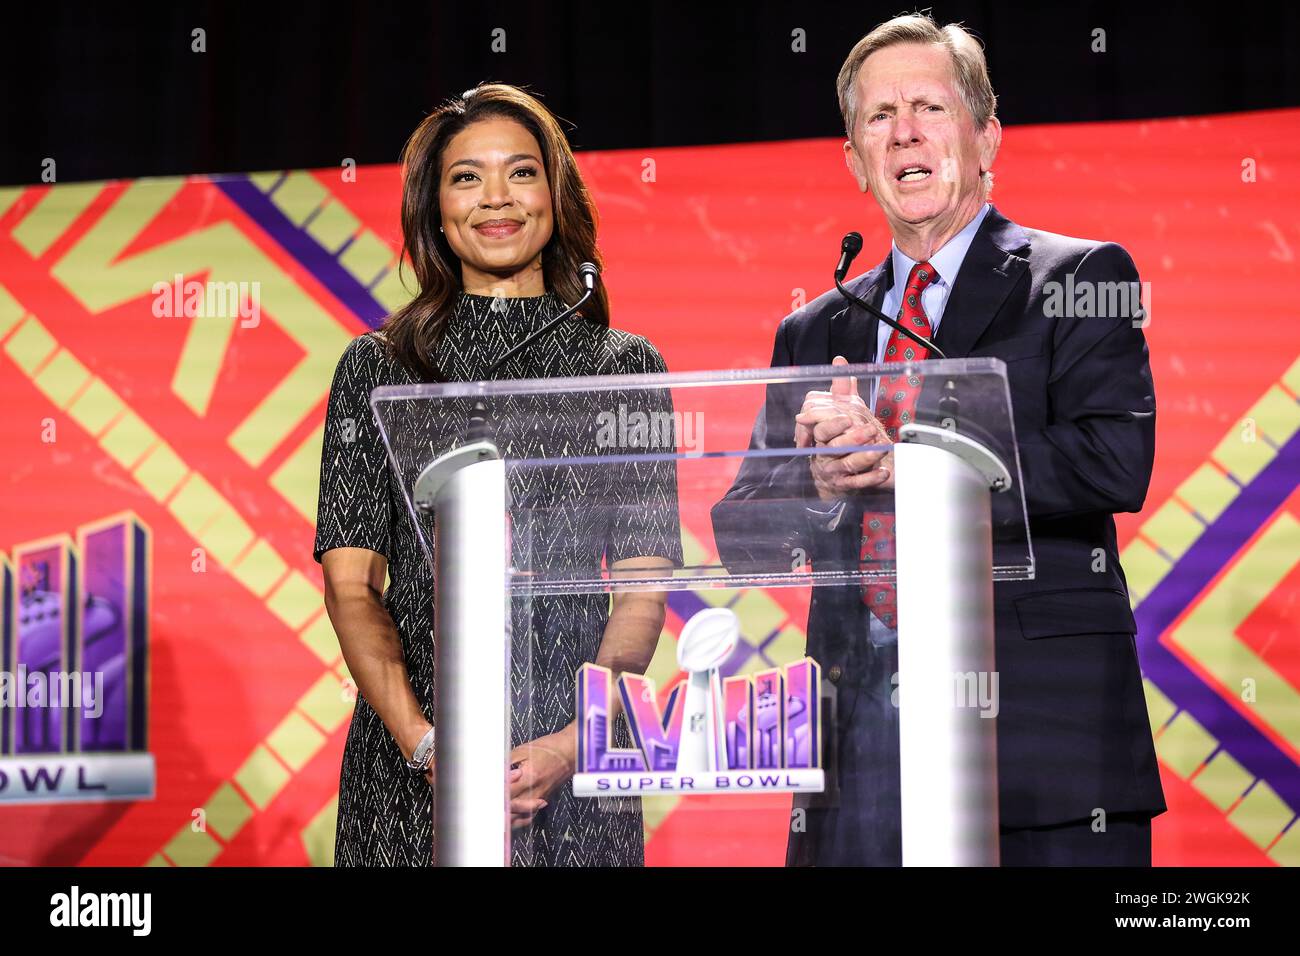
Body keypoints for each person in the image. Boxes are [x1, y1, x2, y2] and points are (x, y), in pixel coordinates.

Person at [712, 14, 1165, 866]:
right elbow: (742, 533)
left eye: (929, 106)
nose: (905, 132)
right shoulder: (816, 328)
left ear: (986, 136)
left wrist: (912, 463)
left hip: (1037, 736)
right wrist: (818, 480)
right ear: (854, 159)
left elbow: (1113, 457)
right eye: (879, 117)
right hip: (860, 744)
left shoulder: (1076, 277)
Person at [314, 83, 682, 866]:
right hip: (414, 770)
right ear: (436, 209)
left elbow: (644, 588)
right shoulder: (379, 367)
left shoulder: (623, 368)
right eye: (466, 177)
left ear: (554, 193)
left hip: (575, 768)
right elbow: (352, 587)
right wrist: (427, 747)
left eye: (520, 173)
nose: (496, 199)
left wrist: (575, 740)